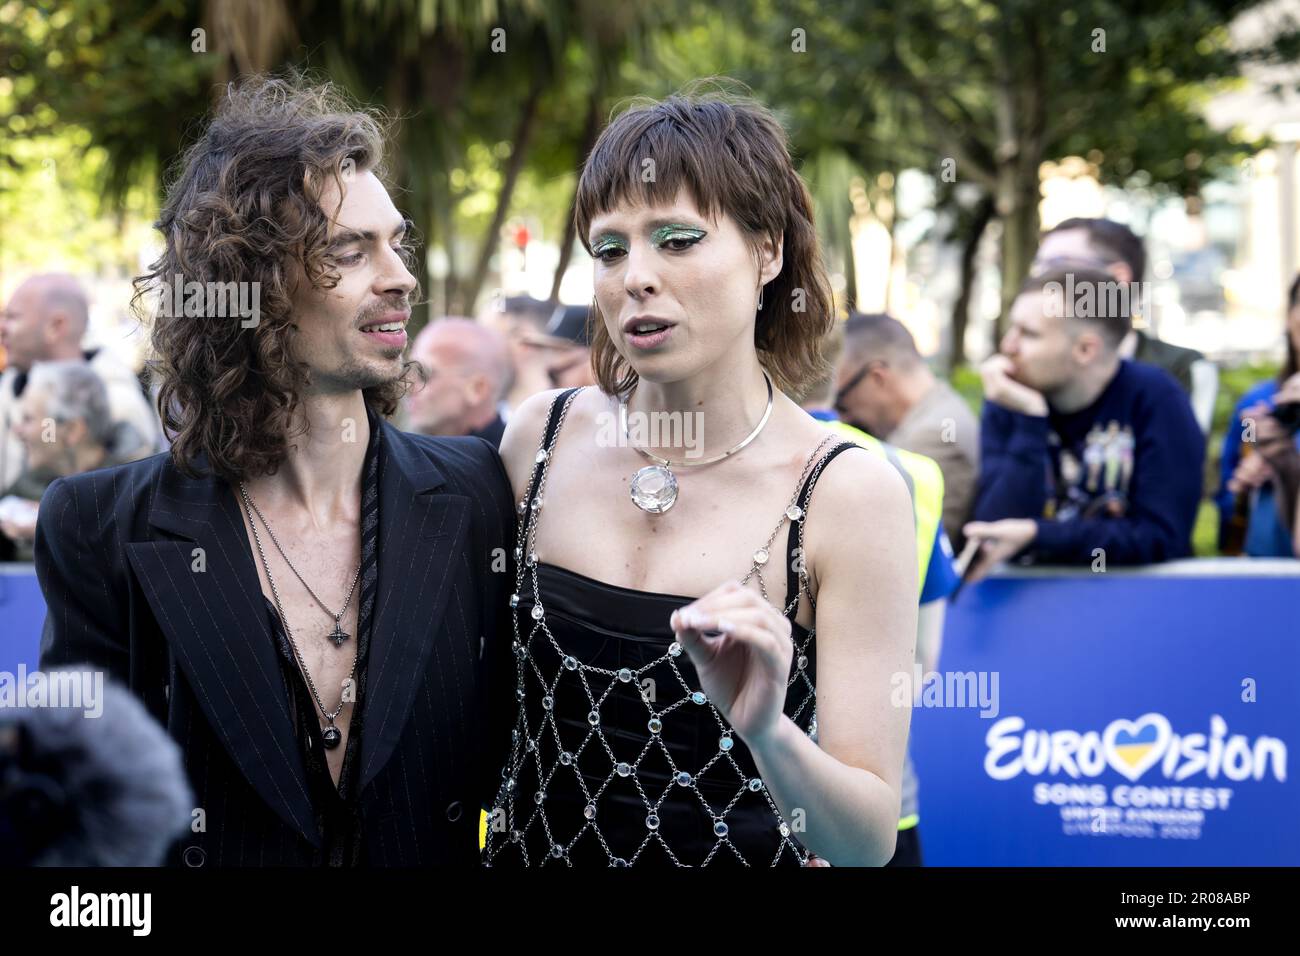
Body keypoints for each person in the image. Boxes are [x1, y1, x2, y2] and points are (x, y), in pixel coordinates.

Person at [35, 76, 515, 867]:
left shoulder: (474, 495)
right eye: (346, 250)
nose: (400, 277)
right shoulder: (99, 527)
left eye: (399, 242)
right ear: (249, 284)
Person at [482, 83, 917, 868]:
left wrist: (768, 732)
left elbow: (863, 842)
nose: (636, 277)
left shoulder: (848, 494)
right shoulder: (538, 438)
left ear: (768, 252)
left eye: (678, 239)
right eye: (610, 249)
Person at [799, 342, 959, 867]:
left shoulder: (726, 463)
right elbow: (922, 662)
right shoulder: (910, 472)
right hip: (879, 807)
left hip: (751, 802)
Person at [964, 268, 1205, 580]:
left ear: (1085, 350)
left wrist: (1041, 535)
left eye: (1028, 334)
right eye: (1012, 328)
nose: (1008, 345)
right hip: (1025, 611)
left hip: (1136, 605)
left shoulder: (1156, 399)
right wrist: (1030, 419)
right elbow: (993, 531)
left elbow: (1161, 537)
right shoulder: (1012, 397)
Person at [1032, 216, 1218, 433]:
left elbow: (1177, 459)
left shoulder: (1182, 368)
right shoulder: (1027, 368)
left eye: (1057, 265)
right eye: (1038, 267)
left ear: (1117, 278)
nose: (1040, 280)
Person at [0, 272, 162, 492]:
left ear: (55, 326)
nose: (2, 328)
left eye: (12, 317)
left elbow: (127, 504)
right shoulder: (12, 385)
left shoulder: (116, 406)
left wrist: (41, 520)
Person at [834, 311, 979, 550]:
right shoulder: (939, 413)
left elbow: (898, 549)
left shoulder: (930, 438)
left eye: (842, 399)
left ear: (877, 378)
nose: (843, 415)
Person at [0, 361, 148, 559]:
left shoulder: (128, 491)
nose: (17, 431)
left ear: (72, 430)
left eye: (28, 419)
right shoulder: (30, 482)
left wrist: (52, 527)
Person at [1217, 273, 1300, 556]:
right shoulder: (1259, 405)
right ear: (1289, 318)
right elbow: (1228, 500)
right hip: (1262, 568)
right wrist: (1245, 484)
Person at [405, 317, 511, 446]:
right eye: (408, 371)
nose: (408, 387)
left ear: (477, 389)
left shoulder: (513, 461)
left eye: (424, 374)